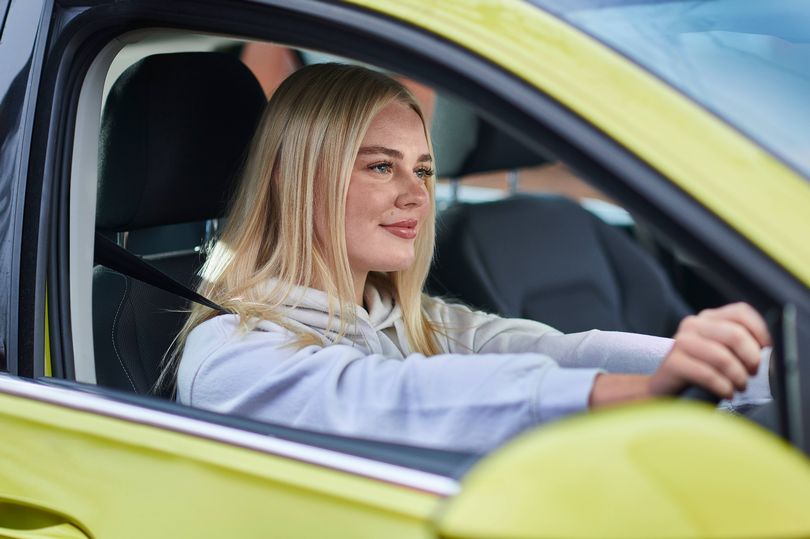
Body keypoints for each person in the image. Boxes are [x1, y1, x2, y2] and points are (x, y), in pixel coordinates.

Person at [167, 63, 771, 453]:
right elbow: (389, 400)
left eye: (424, 170)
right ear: (295, 178)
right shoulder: (232, 356)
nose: (416, 195)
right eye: (381, 165)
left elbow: (560, 351)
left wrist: (760, 368)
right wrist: (622, 395)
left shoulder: (414, 322)